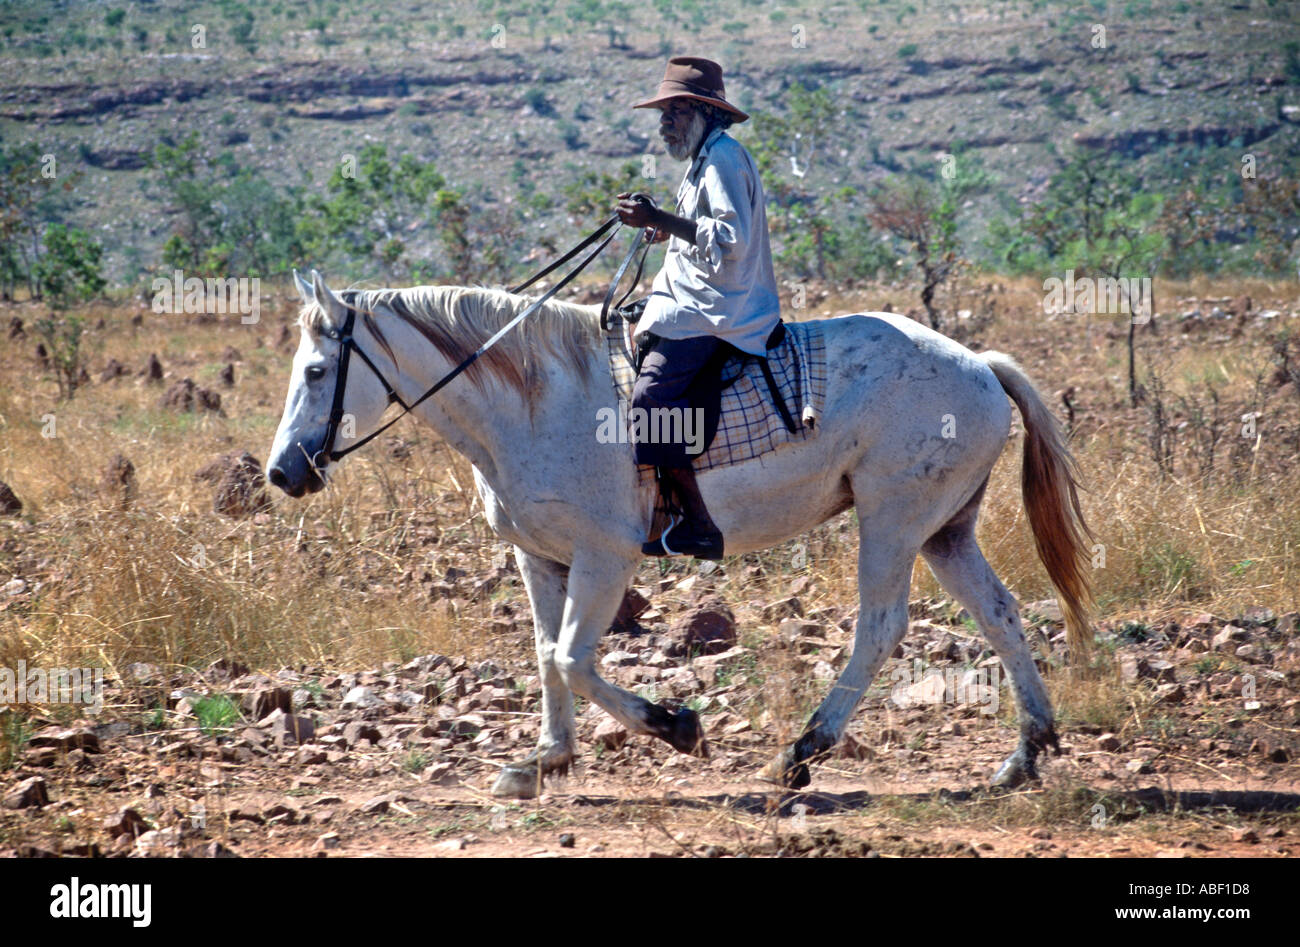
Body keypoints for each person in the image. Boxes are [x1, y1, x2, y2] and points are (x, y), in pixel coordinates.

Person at [615, 56, 780, 560]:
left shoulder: (724, 158)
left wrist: (660, 215)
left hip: (717, 308)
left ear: (706, 112)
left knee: (646, 402)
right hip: (698, 299)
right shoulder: (703, 160)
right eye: (662, 113)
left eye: (675, 111)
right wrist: (666, 227)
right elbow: (703, 233)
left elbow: (730, 239)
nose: (665, 122)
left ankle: (698, 524)